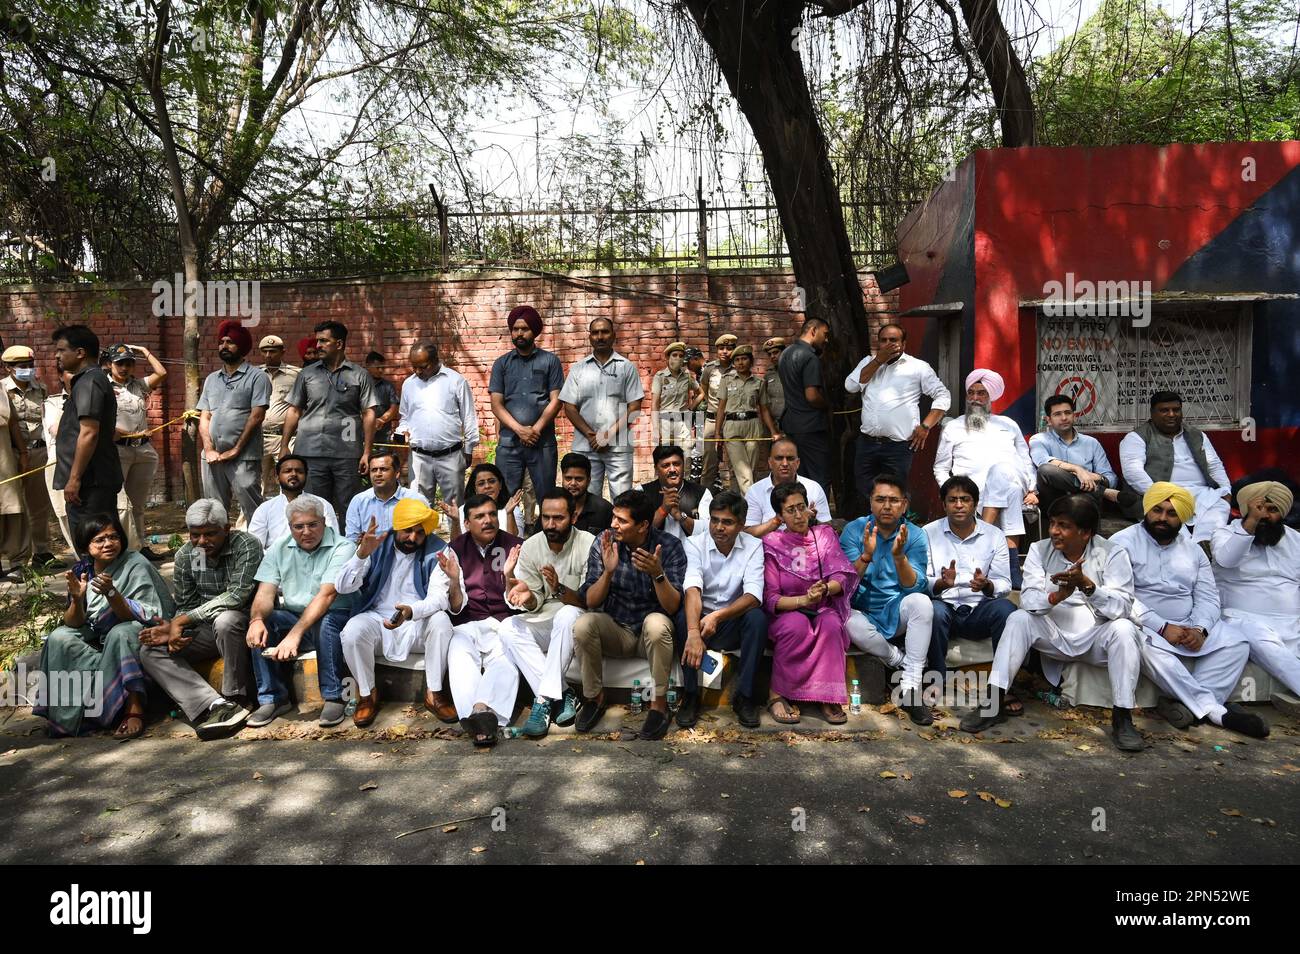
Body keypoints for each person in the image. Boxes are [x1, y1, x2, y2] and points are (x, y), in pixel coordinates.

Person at [961, 495, 1145, 752]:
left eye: (1064, 526)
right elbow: (1029, 600)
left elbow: (1122, 608)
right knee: (1019, 618)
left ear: (1085, 533)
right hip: (1054, 636)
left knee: (1124, 629)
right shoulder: (1039, 549)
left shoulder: (1112, 553)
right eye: (1053, 523)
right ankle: (993, 703)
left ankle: (1123, 718)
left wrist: (1088, 586)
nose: (1054, 531)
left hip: (1095, 638)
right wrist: (1056, 596)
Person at [1111, 483, 1267, 737]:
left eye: (1172, 513)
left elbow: (1208, 597)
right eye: (1157, 510)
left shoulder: (1193, 550)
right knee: (1139, 644)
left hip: (1188, 625)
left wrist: (1200, 629)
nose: (1162, 518)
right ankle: (1217, 712)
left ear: (1183, 517)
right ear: (1147, 509)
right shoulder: (1122, 542)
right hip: (1145, 627)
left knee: (1236, 642)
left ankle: (1186, 706)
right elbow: (1121, 596)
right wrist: (1162, 626)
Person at [34, 513, 173, 738]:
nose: (108, 543)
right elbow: (74, 622)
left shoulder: (135, 563)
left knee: (121, 632)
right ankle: (69, 714)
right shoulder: (82, 570)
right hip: (97, 634)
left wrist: (111, 593)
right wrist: (77, 599)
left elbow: (144, 615)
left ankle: (133, 709)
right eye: (99, 540)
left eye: (113, 537)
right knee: (59, 636)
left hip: (136, 631)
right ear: (85, 546)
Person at [137, 500, 263, 740]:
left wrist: (182, 621)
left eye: (210, 534)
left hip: (245, 624)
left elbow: (237, 596)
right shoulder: (187, 555)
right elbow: (185, 602)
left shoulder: (246, 545)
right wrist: (175, 632)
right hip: (206, 628)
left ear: (226, 529)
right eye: (195, 535)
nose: (202, 542)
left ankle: (237, 697)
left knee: (226, 620)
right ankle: (216, 705)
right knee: (149, 652)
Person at [573, 489, 686, 740]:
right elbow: (590, 600)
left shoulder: (668, 546)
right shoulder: (604, 541)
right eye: (614, 517)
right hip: (618, 629)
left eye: (622, 520)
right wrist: (608, 572)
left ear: (643, 525)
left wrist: (657, 574)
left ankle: (659, 706)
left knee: (657, 624)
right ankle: (594, 698)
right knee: (583, 624)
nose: (614, 524)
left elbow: (673, 607)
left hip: (651, 635)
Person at [335, 499, 458, 727]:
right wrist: (361, 555)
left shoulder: (439, 550)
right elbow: (342, 586)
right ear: (396, 527)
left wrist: (411, 611)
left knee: (441, 621)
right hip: (378, 621)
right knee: (352, 630)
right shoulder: (376, 545)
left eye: (420, 533)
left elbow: (439, 598)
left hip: (417, 622)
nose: (413, 538)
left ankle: (435, 694)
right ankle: (366, 694)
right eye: (408, 530)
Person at [245, 495, 355, 728]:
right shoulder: (279, 548)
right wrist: (256, 619)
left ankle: (334, 696)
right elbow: (265, 592)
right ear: (290, 527)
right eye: (299, 526)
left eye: (312, 524)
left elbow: (326, 596)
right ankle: (272, 698)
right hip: (297, 616)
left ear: (324, 522)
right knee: (266, 621)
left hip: (336, 616)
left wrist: (294, 635)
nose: (306, 531)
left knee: (327, 622)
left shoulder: (343, 547)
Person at [840, 474, 935, 724]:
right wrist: (867, 555)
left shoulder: (914, 535)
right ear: (870, 502)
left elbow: (915, 586)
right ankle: (900, 661)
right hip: (862, 609)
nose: (887, 506)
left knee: (921, 603)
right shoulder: (854, 530)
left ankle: (911, 689)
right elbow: (844, 585)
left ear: (904, 505)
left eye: (894, 500)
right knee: (845, 619)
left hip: (896, 607)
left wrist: (899, 557)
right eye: (880, 499)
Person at [761, 481, 857, 726]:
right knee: (796, 625)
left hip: (822, 606)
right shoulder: (772, 542)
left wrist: (825, 588)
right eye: (790, 510)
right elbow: (771, 597)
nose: (798, 515)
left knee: (831, 625)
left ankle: (827, 696)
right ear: (780, 516)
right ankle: (778, 694)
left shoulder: (823, 535)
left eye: (801, 507)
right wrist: (803, 599)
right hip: (788, 611)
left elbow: (841, 575)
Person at [500, 489, 593, 737]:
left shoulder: (588, 544)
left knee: (566, 614)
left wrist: (560, 588)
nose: (550, 524)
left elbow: (588, 601)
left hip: (578, 620)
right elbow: (534, 599)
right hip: (544, 618)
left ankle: (542, 701)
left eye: (558, 518)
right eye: (546, 517)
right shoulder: (531, 545)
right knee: (508, 627)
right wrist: (528, 597)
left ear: (574, 517)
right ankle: (564, 692)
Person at [932, 369, 1037, 582]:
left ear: (991, 396)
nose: (975, 399)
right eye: (971, 393)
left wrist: (1033, 488)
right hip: (973, 489)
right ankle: (1011, 565)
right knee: (1011, 490)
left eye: (981, 393)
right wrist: (951, 490)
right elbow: (940, 467)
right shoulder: (953, 427)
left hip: (1012, 477)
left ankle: (985, 535)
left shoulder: (1008, 424)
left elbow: (1025, 459)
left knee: (1001, 471)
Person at [923, 476, 1018, 708]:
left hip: (980, 609)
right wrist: (942, 584)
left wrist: (987, 585)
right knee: (932, 610)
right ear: (943, 504)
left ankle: (1002, 687)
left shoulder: (994, 536)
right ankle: (936, 679)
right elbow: (921, 580)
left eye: (965, 499)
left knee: (1007, 610)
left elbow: (1005, 583)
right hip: (945, 607)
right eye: (952, 500)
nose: (958, 505)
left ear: (975, 503)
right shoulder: (928, 533)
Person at [678, 491, 767, 728]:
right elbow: (692, 588)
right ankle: (690, 695)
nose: (719, 527)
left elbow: (753, 596)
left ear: (740, 525)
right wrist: (694, 631)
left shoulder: (754, 546)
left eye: (727, 522)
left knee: (757, 619)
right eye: (714, 520)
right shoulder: (695, 543)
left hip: (731, 619)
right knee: (680, 617)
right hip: (700, 618)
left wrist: (719, 616)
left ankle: (745, 697)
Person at [280, 320, 379, 525]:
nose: (318, 346)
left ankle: (346, 551)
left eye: (324, 341)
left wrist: (367, 451)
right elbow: (294, 409)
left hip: (346, 454)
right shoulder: (307, 374)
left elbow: (369, 413)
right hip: (310, 453)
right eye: (318, 341)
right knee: (312, 506)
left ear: (339, 344)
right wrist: (283, 446)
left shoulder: (359, 375)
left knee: (348, 507)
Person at [445, 494, 525, 746]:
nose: (488, 520)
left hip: (505, 621)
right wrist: (453, 582)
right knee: (458, 652)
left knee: (505, 659)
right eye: (479, 516)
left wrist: (509, 576)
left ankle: (481, 712)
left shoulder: (516, 546)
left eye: (492, 514)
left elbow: (520, 598)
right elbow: (455, 607)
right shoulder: (454, 549)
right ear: (467, 523)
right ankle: (479, 716)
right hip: (468, 623)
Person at [1211, 480, 1300, 696]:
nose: (1263, 516)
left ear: (1284, 513)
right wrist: (1249, 524)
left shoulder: (1296, 541)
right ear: (1246, 510)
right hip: (1242, 620)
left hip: (1293, 625)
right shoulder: (1223, 534)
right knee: (1265, 643)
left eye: (1272, 510)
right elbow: (1227, 560)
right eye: (1258, 509)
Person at [844, 322, 950, 501]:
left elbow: (943, 395)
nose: (888, 344)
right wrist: (878, 360)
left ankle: (896, 528)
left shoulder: (918, 367)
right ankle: (871, 528)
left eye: (893, 340)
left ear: (904, 344)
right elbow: (851, 386)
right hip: (867, 443)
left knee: (894, 494)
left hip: (898, 446)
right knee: (864, 491)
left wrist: (926, 426)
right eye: (883, 340)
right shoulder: (868, 362)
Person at [1120, 391, 1233, 545]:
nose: (1171, 414)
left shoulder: (1197, 435)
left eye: (1176, 410)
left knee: (1219, 510)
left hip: (1201, 494)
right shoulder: (1136, 437)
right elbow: (1133, 473)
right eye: (1164, 410)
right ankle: (1187, 551)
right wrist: (1162, 497)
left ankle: (1204, 547)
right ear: (1152, 413)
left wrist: (1226, 489)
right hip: (1160, 496)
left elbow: (1214, 465)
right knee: (1176, 534)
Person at [50, 326, 123, 551]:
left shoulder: (89, 381)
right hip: (92, 481)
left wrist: (74, 478)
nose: (56, 355)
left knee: (96, 546)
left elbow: (89, 432)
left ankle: (96, 586)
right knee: (96, 546)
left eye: (62, 350)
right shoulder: (86, 380)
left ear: (80, 352)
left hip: (91, 483)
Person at [489, 304, 564, 512]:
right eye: (515, 329)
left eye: (524, 329)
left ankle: (545, 540)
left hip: (542, 443)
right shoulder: (501, 364)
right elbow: (496, 403)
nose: (519, 333)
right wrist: (520, 430)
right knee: (504, 499)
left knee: (547, 498)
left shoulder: (550, 361)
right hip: (509, 443)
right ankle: (506, 542)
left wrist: (535, 430)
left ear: (534, 332)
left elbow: (556, 400)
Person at [560, 318, 644, 498]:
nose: (600, 337)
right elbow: (569, 407)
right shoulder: (578, 369)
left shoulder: (626, 368)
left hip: (618, 447)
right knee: (585, 499)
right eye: (595, 333)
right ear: (589, 337)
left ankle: (619, 528)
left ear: (613, 336)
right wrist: (593, 436)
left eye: (605, 332)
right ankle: (590, 528)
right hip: (585, 446)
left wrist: (608, 435)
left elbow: (635, 406)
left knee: (622, 499)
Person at [198, 321, 271, 526]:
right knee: (214, 509)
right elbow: (205, 416)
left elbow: (256, 416)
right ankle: (220, 552)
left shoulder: (258, 377)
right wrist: (209, 448)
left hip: (244, 455)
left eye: (230, 342)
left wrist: (236, 449)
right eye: (221, 342)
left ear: (242, 346)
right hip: (212, 457)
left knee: (252, 506)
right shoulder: (212, 379)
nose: (224, 346)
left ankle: (260, 551)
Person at [396, 339, 478, 513]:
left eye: (423, 366)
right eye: (414, 367)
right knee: (418, 509)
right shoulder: (409, 384)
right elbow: (405, 417)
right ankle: (421, 540)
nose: (417, 371)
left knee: (455, 508)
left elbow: (469, 416)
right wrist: (403, 431)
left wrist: (469, 449)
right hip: (419, 458)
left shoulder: (455, 381)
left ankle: (456, 540)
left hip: (451, 455)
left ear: (435, 361)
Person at [1031, 394, 1140, 520]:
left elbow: (1111, 479)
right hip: (1054, 500)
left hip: (1086, 502)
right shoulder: (1039, 440)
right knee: (1046, 469)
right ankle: (1103, 493)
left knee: (1084, 503)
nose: (1064, 417)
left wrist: (1093, 477)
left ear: (1074, 416)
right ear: (1048, 420)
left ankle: (1096, 493)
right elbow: (1042, 462)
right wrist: (1079, 470)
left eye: (1068, 412)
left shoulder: (1091, 443)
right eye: (1057, 414)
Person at [3, 345, 61, 570]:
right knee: (14, 507)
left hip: (39, 451)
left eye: (30, 365)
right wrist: (21, 454)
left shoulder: (41, 389)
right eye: (21, 366)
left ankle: (42, 551)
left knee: (39, 505)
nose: (27, 370)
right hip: (11, 455)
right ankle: (16, 557)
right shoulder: (1, 391)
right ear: (8, 368)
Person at [105, 343, 165, 556]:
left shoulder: (138, 385)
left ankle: (141, 546)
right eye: (120, 363)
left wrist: (144, 351)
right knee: (122, 504)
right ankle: (124, 547)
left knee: (138, 504)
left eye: (129, 363)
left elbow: (161, 373)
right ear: (109, 364)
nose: (124, 368)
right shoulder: (103, 385)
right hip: (118, 451)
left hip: (143, 450)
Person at [715, 345, 780, 493]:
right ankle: (753, 506)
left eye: (744, 359)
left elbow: (764, 409)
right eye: (737, 360)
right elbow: (721, 408)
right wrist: (718, 433)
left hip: (753, 426)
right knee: (743, 472)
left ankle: (736, 506)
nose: (740, 362)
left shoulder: (759, 382)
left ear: (751, 361)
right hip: (732, 426)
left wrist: (772, 431)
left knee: (749, 470)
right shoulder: (726, 380)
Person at [776, 317, 832, 487]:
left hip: (791, 425)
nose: (826, 340)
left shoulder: (785, 353)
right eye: (825, 334)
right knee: (819, 477)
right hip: (811, 425)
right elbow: (812, 396)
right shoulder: (809, 357)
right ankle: (819, 514)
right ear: (813, 331)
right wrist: (828, 405)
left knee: (799, 477)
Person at [742, 437, 830, 537]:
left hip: (807, 549)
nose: (785, 463)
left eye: (790, 458)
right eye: (779, 458)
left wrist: (812, 521)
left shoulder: (814, 488)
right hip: (767, 551)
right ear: (770, 462)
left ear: (798, 463)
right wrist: (776, 521)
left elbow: (827, 530)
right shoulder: (755, 491)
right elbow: (747, 533)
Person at [246, 455, 338, 547]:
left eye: (299, 471)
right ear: (277, 478)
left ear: (306, 477)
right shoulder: (265, 509)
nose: (294, 474)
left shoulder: (322, 504)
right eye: (287, 471)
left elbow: (333, 541)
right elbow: (255, 547)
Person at [343, 449, 426, 541]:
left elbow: (424, 536)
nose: (378, 474)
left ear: (397, 473)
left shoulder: (416, 500)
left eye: (384, 469)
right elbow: (352, 539)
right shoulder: (359, 501)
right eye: (374, 470)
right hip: (369, 554)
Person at [257, 335, 300, 495]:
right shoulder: (255, 374)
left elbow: (301, 406)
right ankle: (250, 520)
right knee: (254, 485)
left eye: (273, 351)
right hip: (259, 437)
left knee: (289, 483)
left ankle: (288, 518)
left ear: (282, 352)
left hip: (286, 438)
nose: (268, 355)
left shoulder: (296, 374)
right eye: (265, 351)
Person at [693, 333, 736, 491]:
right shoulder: (710, 369)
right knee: (708, 464)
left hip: (732, 420)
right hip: (711, 421)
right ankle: (705, 499)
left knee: (735, 464)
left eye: (729, 348)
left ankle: (735, 499)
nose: (725, 351)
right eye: (721, 348)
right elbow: (703, 392)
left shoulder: (739, 368)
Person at [641, 444, 709, 541]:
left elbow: (707, 532)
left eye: (676, 464)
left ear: (683, 465)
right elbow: (637, 532)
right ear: (656, 469)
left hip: (691, 554)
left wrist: (679, 515)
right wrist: (663, 510)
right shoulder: (641, 492)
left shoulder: (702, 493)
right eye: (666, 465)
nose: (672, 470)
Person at [0, 357, 29, 581]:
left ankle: (17, 562)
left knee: (13, 509)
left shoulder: (2, 390)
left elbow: (12, 424)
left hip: (5, 461)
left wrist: (23, 453)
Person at [42, 368, 76, 553]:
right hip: (59, 460)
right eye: (70, 373)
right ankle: (82, 559)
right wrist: (73, 403)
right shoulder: (53, 402)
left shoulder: (96, 396)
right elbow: (56, 429)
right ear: (62, 377)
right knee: (64, 512)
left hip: (89, 457)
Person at [650, 342, 699, 456]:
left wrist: (691, 407)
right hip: (665, 423)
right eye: (675, 355)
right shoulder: (660, 377)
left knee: (686, 457)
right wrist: (656, 429)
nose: (678, 358)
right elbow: (655, 404)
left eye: (681, 356)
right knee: (664, 458)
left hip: (683, 423)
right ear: (668, 357)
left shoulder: (687, 376)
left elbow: (701, 393)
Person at [561, 452, 613, 534]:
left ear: (588, 480)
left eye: (579, 479)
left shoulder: (604, 509)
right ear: (562, 478)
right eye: (568, 478)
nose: (573, 483)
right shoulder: (551, 506)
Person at [364, 351, 401, 448]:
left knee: (384, 462)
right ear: (368, 366)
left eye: (383, 367)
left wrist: (381, 420)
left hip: (383, 436)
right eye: (377, 367)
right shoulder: (360, 385)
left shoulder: (388, 386)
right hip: (362, 435)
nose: (381, 370)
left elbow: (394, 407)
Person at [762, 338, 787, 428]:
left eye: (776, 352)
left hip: (792, 421)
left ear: (784, 352)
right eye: (769, 354)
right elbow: (764, 401)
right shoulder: (768, 375)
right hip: (774, 423)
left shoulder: (793, 370)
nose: (772, 356)